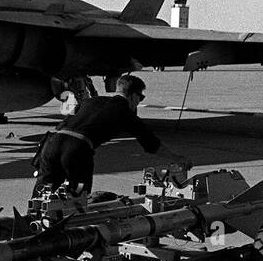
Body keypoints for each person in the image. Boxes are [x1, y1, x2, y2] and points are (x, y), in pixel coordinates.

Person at [32, 74, 188, 197]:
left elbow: (63, 124)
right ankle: (73, 226)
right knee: (78, 192)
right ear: (133, 96)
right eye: (140, 97)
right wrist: (177, 158)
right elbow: (151, 144)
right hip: (76, 151)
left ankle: (29, 222)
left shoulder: (91, 101)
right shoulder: (125, 112)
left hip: (51, 145)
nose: (139, 102)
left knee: (44, 190)